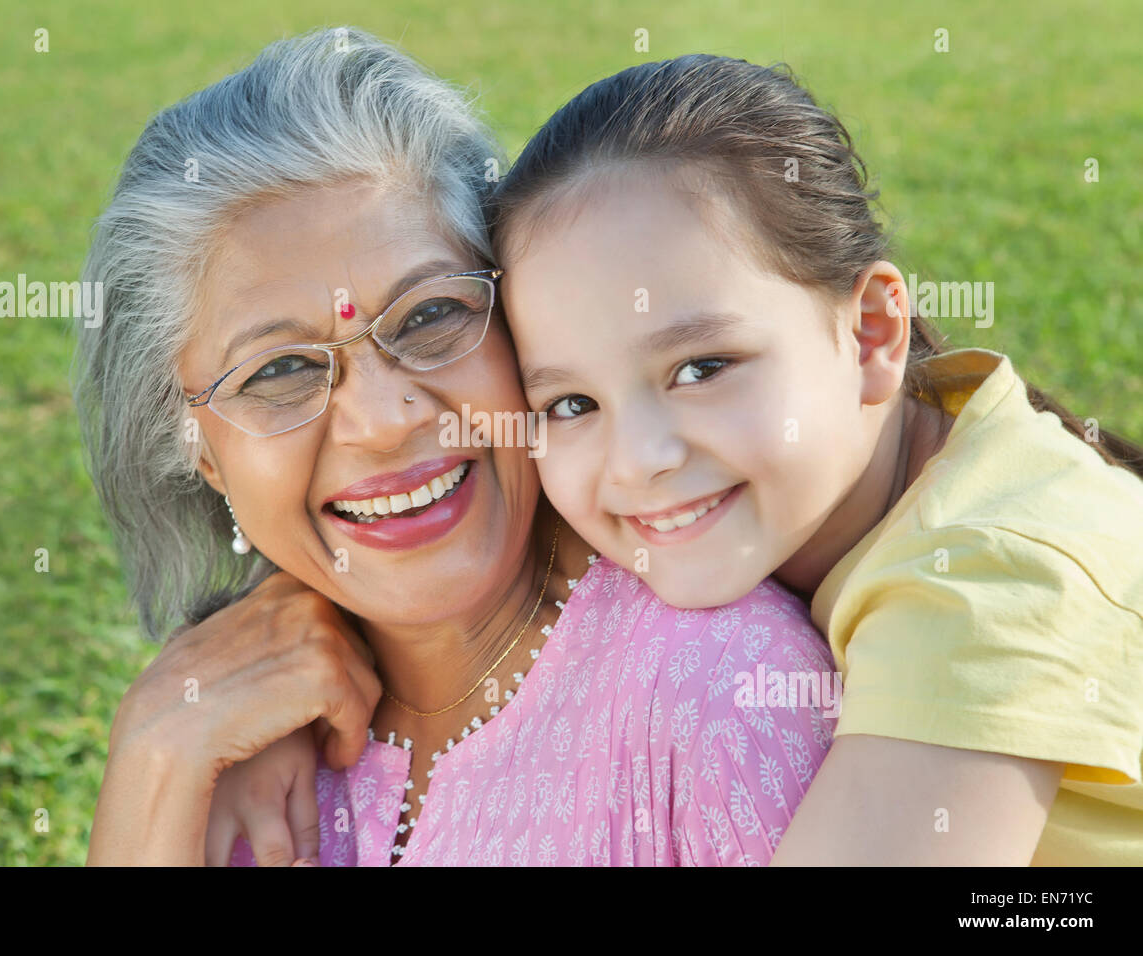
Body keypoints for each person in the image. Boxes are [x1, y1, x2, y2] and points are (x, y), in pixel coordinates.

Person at [75, 29, 837, 867]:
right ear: (202, 454)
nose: (385, 419)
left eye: (431, 315)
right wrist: (155, 759)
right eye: (281, 371)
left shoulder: (715, 694)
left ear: (521, 316)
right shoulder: (227, 739)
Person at [486, 54, 1143, 865]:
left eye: (701, 369)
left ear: (872, 333)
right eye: (572, 405)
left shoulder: (985, 584)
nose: (639, 460)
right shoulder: (905, 455)